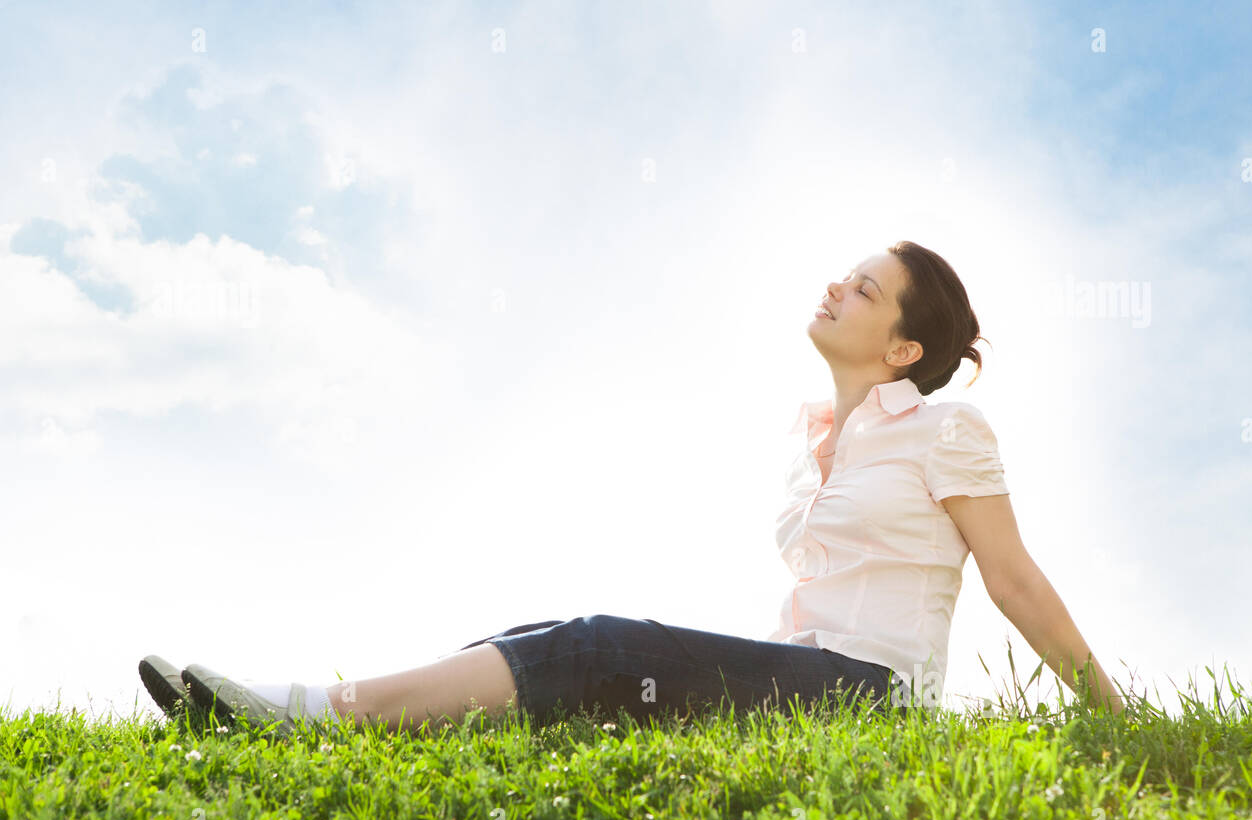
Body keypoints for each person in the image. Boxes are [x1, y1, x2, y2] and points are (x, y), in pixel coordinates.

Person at [138, 240, 1127, 736]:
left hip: (871, 696)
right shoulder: (816, 437)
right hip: (803, 679)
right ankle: (325, 713)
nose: (836, 288)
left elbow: (1012, 579)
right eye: (844, 275)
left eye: (863, 290)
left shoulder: (945, 426)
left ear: (905, 346)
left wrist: (1112, 714)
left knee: (599, 643)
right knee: (544, 636)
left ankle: (308, 714)